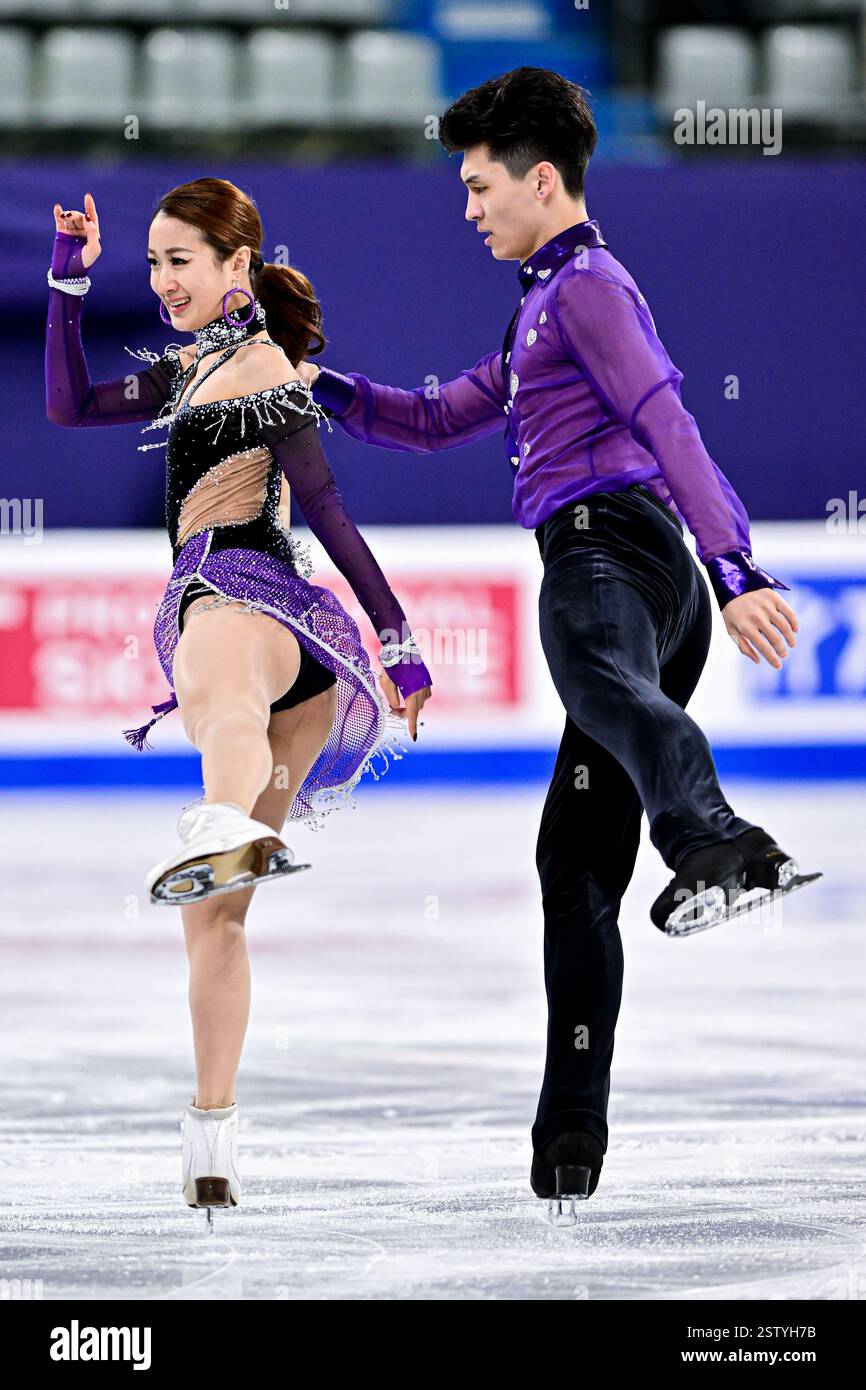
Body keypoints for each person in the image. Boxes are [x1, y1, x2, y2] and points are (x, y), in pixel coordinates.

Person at [294, 68, 816, 1205]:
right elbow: (433, 418)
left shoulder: (587, 287)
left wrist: (733, 566)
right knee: (571, 867)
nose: (467, 207)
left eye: (479, 186)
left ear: (541, 179)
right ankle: (567, 1146)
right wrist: (313, 384)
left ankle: (714, 837)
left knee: (594, 676)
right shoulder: (540, 307)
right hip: (633, 577)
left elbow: (663, 415)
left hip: (606, 557)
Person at [45, 178, 432, 1217]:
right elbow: (68, 404)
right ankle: (208, 1137)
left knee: (216, 698)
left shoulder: (261, 372)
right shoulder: (193, 368)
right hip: (299, 657)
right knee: (217, 921)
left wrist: (401, 644)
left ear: (236, 266)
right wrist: (70, 283)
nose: (163, 279)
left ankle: (222, 818)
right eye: (155, 261)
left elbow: (331, 515)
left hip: (239, 596)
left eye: (182, 261)